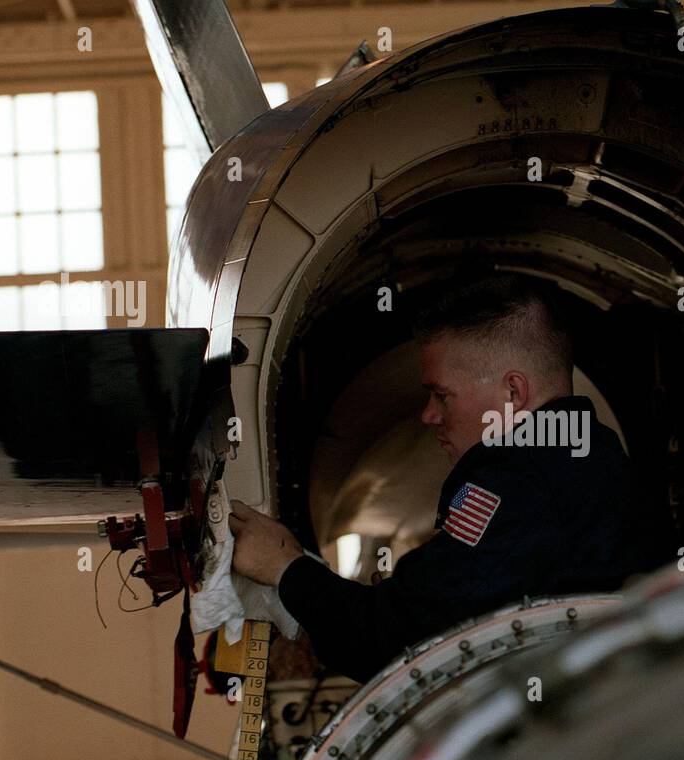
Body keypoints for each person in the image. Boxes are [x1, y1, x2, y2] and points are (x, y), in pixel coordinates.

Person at [229, 274, 659, 682]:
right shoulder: (590, 455)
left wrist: (284, 566)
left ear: (513, 392)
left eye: (441, 395)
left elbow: (393, 645)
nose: (429, 415)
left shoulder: (515, 488)